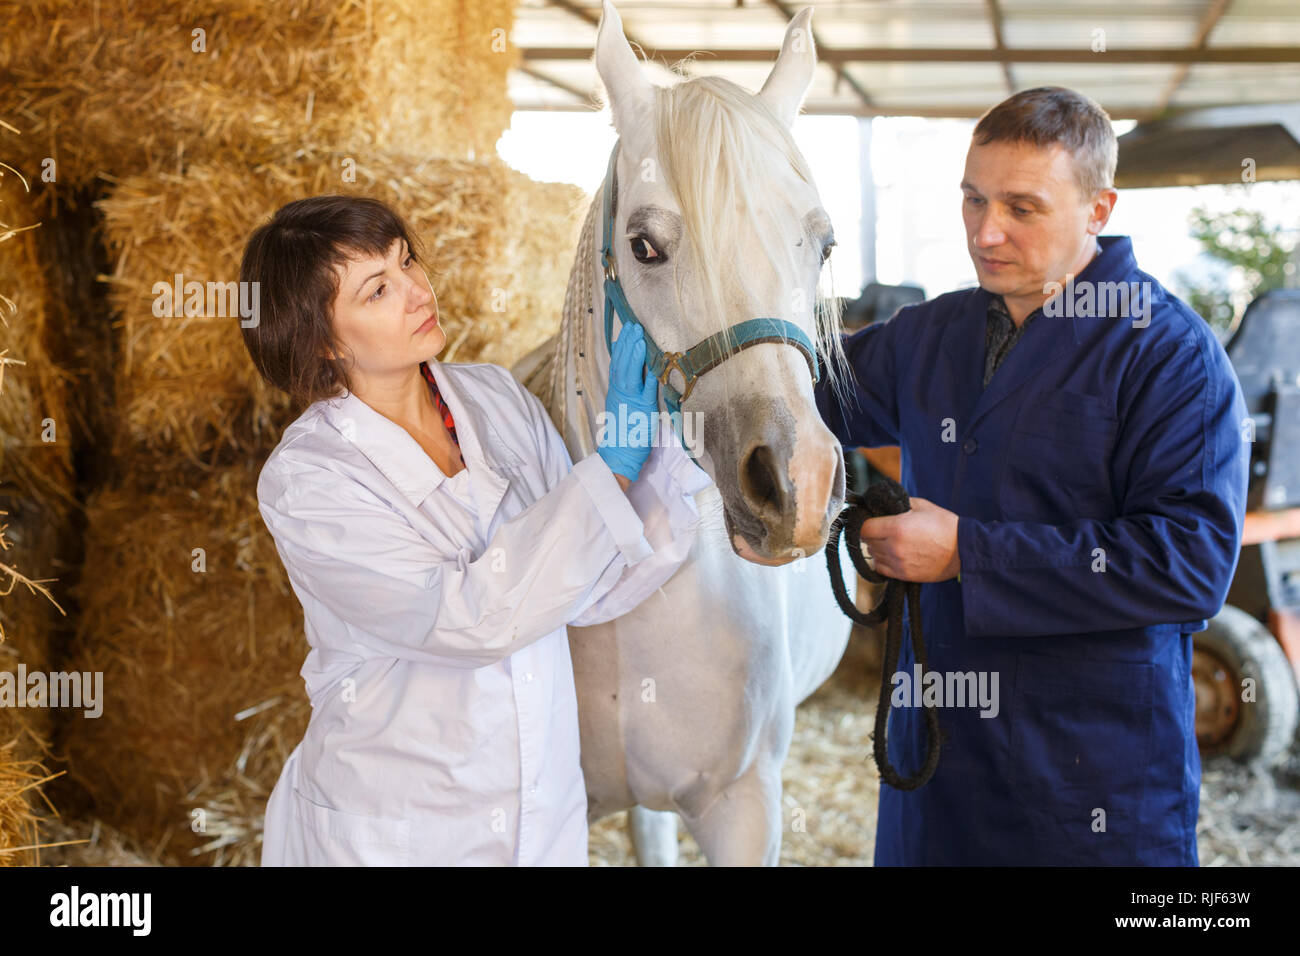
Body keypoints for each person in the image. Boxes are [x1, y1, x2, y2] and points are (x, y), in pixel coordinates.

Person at [813, 87, 1250, 865]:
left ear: (1099, 208)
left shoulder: (1169, 355)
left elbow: (1189, 567)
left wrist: (966, 556)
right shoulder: (930, 334)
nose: (986, 232)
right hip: (937, 765)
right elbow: (803, 397)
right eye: (973, 200)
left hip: (1090, 781)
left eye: (1023, 207)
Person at [238, 195, 709, 865]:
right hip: (399, 827)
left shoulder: (495, 397)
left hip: (539, 817)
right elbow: (469, 619)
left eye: (408, 262)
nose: (416, 291)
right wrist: (611, 469)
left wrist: (667, 456)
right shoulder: (310, 480)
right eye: (378, 290)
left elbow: (582, 586)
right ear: (323, 340)